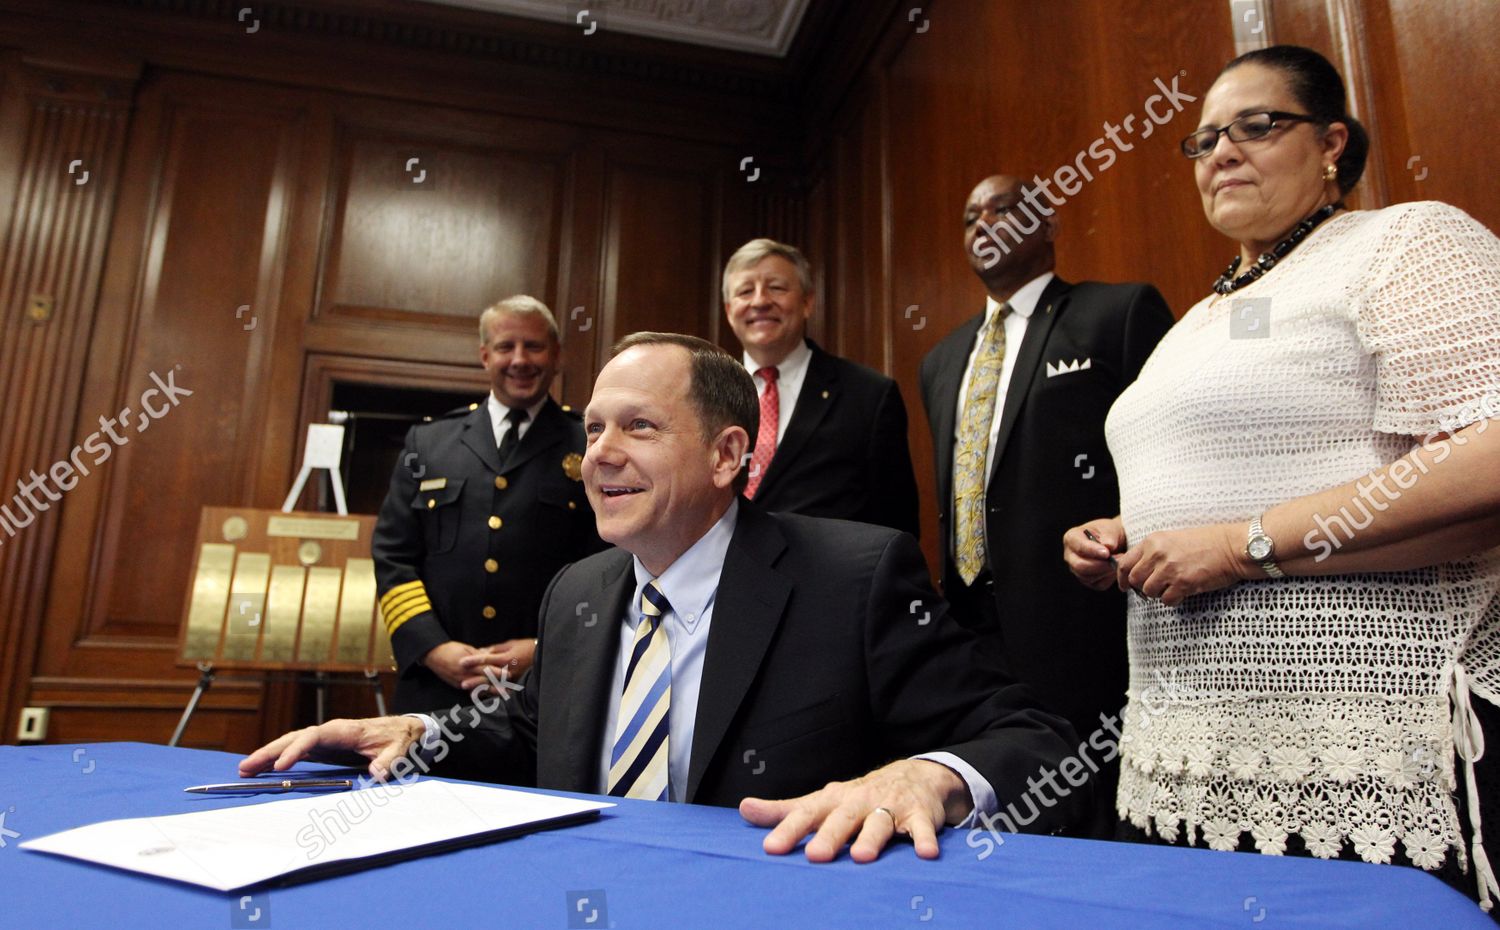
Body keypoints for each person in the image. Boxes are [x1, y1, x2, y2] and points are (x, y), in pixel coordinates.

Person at [246, 333, 1087, 862]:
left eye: (638, 428)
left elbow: (1037, 741)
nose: (598, 456)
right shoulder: (578, 590)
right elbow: (539, 735)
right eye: (594, 430)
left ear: (728, 456)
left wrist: (930, 777)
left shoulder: (856, 577)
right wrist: (425, 730)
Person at [1061, 45, 1500, 910]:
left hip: (1368, 749)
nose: (1221, 151)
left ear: (1333, 142)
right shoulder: (1196, 318)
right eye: (1204, 139)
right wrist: (1119, 534)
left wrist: (1236, 546)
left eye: (1257, 126)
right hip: (1185, 753)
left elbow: (1490, 449)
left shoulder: (1404, 238)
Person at [919, 174, 1173, 837]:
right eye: (970, 215)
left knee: (1098, 821)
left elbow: (1167, 450)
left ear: (1049, 222)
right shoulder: (942, 359)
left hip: (1090, 625)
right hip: (973, 635)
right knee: (1001, 815)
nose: (983, 224)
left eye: (1003, 209)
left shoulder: (1116, 314)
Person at [372, 296, 601, 721]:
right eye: (505, 347)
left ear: (556, 355)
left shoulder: (589, 443)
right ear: (484, 356)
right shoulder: (428, 443)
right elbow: (394, 557)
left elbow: (609, 564)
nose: (520, 360)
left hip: (546, 685)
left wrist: (546, 648)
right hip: (436, 687)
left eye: (533, 346)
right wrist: (430, 647)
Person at [722, 238, 920, 536]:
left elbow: (897, 526)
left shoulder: (869, 395)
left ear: (807, 302)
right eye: (745, 291)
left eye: (776, 287)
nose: (760, 301)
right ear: (728, 310)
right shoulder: (706, 396)